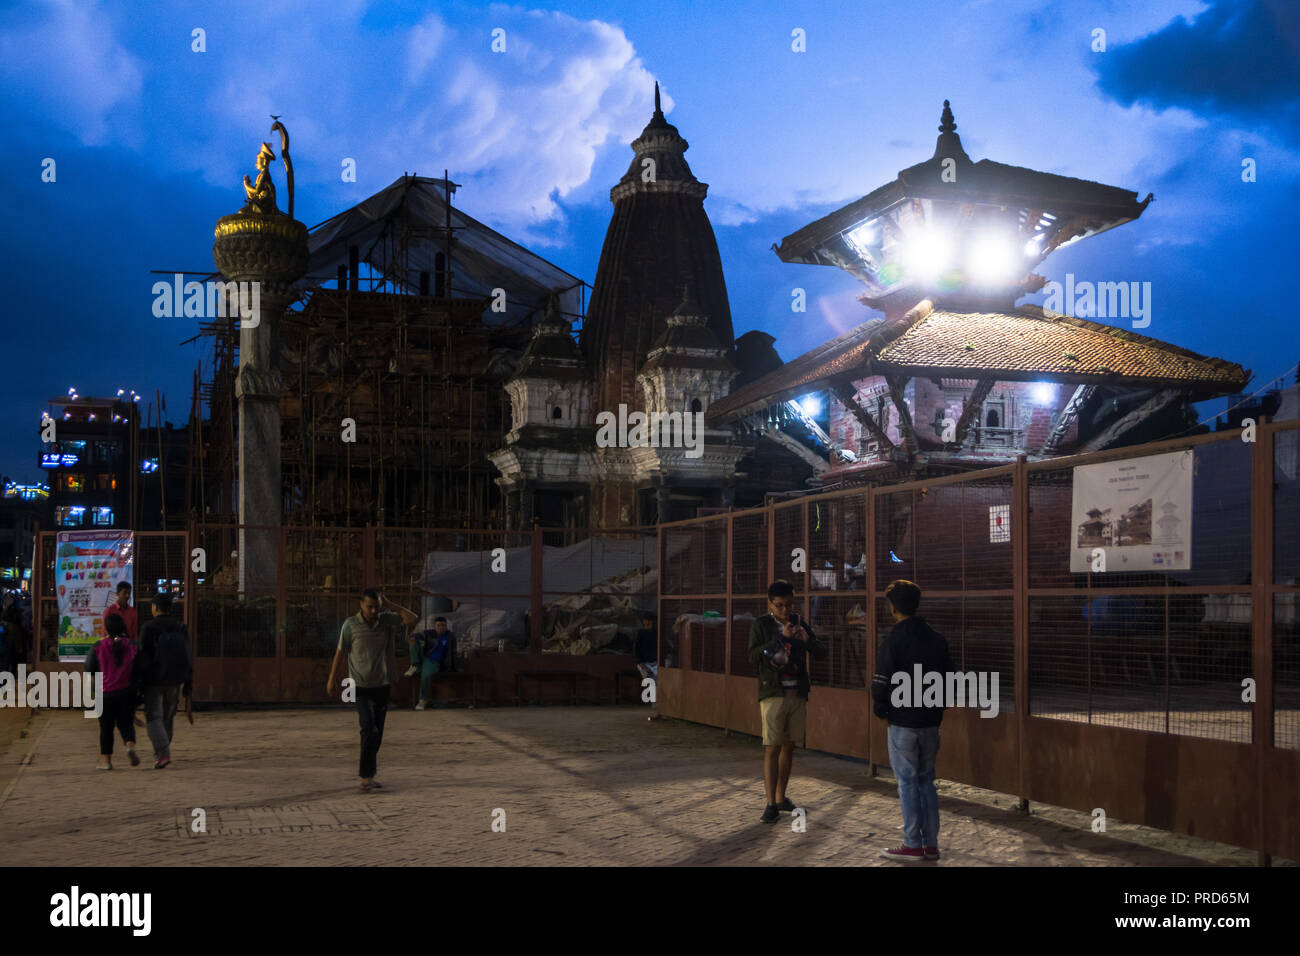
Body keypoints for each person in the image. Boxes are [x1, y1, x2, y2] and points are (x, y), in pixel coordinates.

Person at [871, 579, 952, 862]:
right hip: (930, 722)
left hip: (902, 722)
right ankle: (930, 844)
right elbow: (949, 682)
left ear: (893, 608)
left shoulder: (893, 639)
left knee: (907, 783)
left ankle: (911, 844)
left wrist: (881, 708)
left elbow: (881, 681)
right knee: (927, 781)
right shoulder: (937, 639)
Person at [747, 580, 826, 823]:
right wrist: (777, 640)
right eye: (779, 606)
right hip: (773, 693)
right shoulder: (761, 624)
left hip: (797, 693)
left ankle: (781, 797)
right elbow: (752, 656)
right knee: (772, 747)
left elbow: (821, 653)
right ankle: (770, 802)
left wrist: (806, 640)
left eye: (789, 605)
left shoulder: (799, 622)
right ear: (769, 603)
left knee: (789, 746)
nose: (785, 610)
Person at [327, 588, 418, 791]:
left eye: (377, 606)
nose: (373, 610)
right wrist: (331, 679)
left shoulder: (386, 620)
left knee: (377, 733)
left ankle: (369, 773)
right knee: (368, 728)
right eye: (369, 606)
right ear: (361, 605)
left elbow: (412, 618)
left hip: (382, 685)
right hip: (358, 686)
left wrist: (390, 604)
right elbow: (340, 652)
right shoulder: (350, 625)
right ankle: (366, 777)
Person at [136, 591, 193, 770]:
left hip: (154, 680)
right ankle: (163, 749)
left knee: (153, 717)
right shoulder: (181, 627)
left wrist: (138, 682)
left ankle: (162, 753)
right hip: (175, 680)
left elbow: (142, 655)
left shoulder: (149, 627)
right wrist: (188, 684)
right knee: (168, 716)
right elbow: (188, 656)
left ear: (155, 607)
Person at [84, 613, 140, 770]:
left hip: (105, 693)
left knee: (106, 728)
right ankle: (129, 746)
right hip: (126, 692)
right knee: (126, 724)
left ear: (106, 628)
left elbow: (89, 667)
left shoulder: (98, 646)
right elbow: (140, 667)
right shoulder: (133, 645)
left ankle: (106, 761)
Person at [407, 617, 453, 711]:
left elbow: (452, 653)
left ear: (446, 626)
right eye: (438, 625)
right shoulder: (430, 633)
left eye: (443, 625)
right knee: (413, 640)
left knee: (425, 675)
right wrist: (412, 637)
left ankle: (423, 700)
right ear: (435, 627)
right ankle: (414, 665)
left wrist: (451, 666)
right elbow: (417, 635)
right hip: (424, 657)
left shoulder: (449, 637)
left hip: (433, 661)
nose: (440, 627)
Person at [1, 606, 27, 675]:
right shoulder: (14, 626)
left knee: (5, 665)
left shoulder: (3, 624)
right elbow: (16, 640)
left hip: (5, 648)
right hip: (10, 648)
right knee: (9, 665)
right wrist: (20, 649)